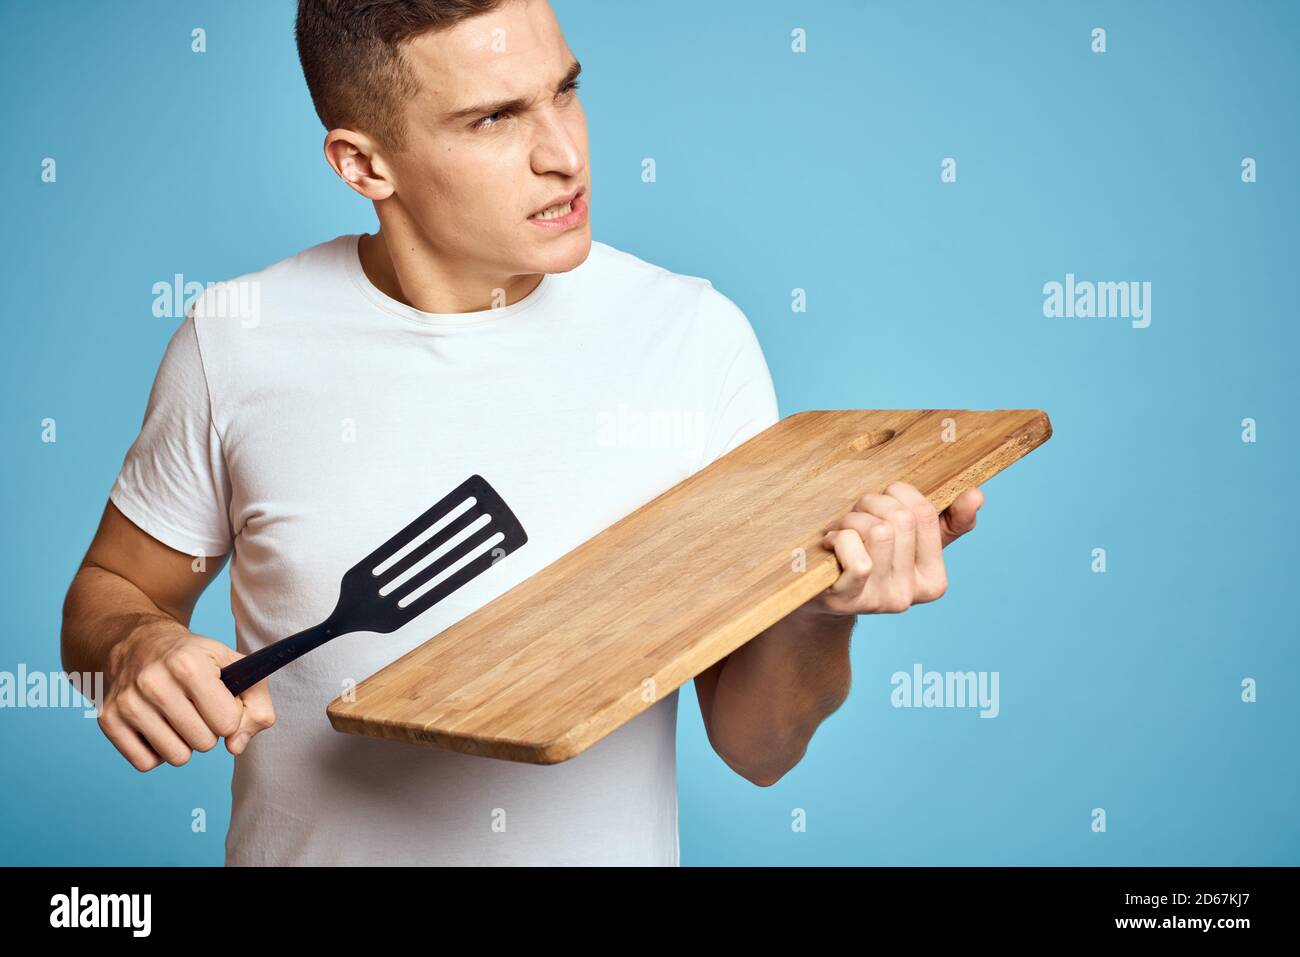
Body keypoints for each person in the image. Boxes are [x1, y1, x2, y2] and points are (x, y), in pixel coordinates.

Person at [60, 0, 983, 866]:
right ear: (362, 164)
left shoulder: (692, 341)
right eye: (494, 119)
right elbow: (111, 591)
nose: (564, 155)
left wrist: (823, 609)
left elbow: (757, 748)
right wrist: (134, 646)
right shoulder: (237, 339)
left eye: (566, 92)